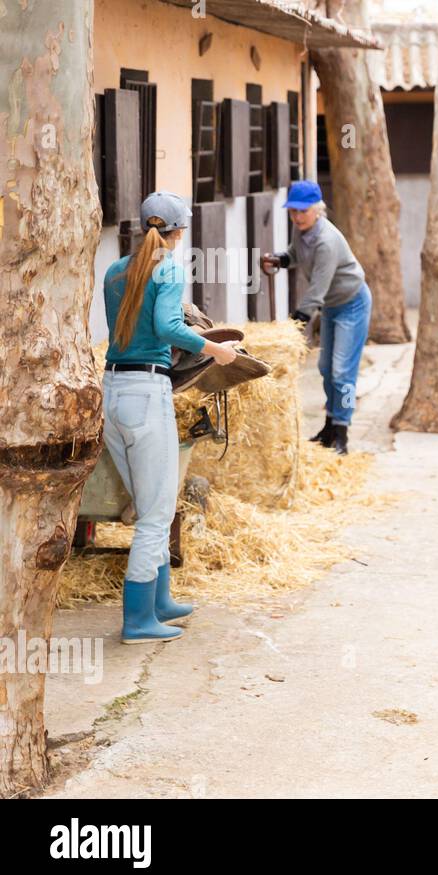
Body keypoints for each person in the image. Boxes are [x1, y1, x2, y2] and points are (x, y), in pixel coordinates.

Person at [102, 191, 239, 644]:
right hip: (145, 391)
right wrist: (215, 349)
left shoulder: (115, 270)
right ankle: (139, 619)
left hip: (113, 392)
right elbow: (165, 328)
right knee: (157, 513)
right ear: (179, 232)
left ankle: (159, 600)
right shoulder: (170, 267)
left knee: (149, 502)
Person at [262, 180, 371, 455]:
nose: (297, 217)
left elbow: (317, 289)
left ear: (317, 210)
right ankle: (329, 427)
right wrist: (280, 259)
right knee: (325, 368)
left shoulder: (326, 241)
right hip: (332, 306)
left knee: (342, 371)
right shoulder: (302, 231)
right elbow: (296, 255)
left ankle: (342, 434)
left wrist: (296, 322)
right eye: (293, 212)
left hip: (352, 303)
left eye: (303, 211)